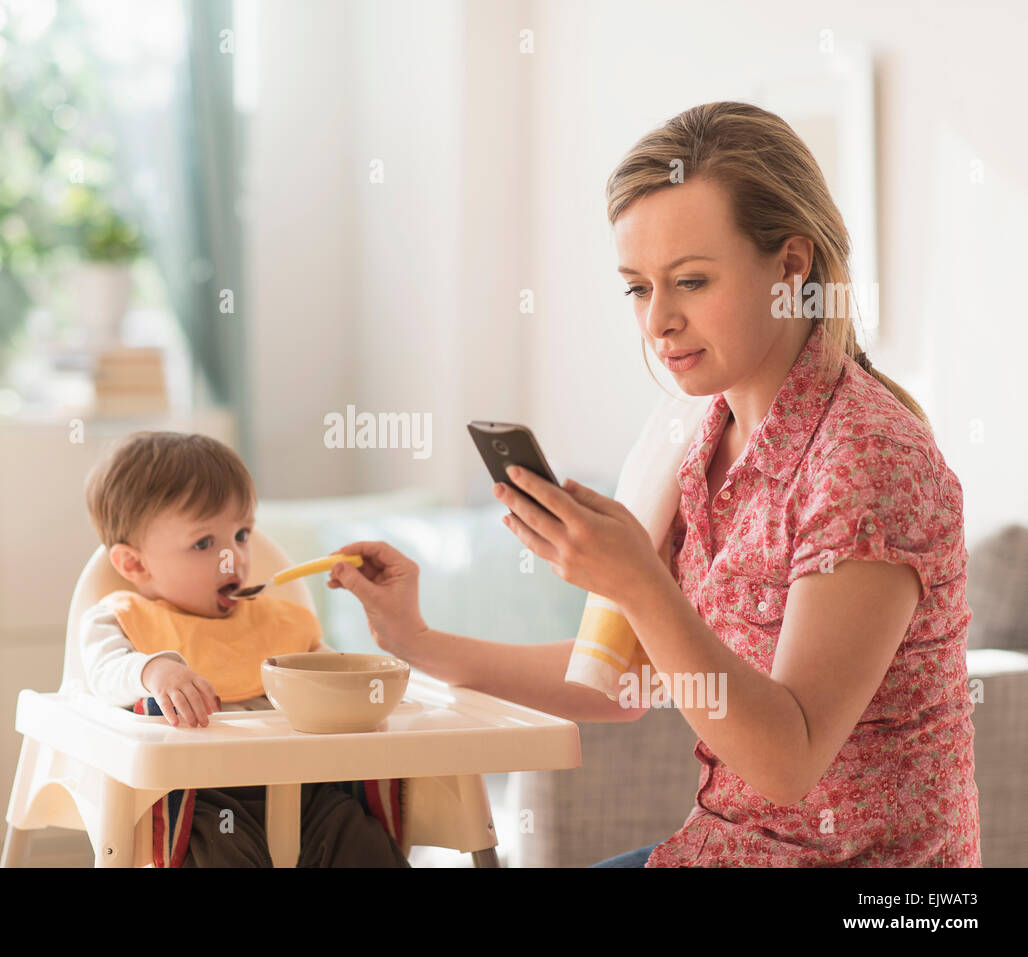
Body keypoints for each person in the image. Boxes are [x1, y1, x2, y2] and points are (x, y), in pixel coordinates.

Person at [326, 101, 979, 867]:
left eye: (692, 281)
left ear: (791, 266)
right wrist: (417, 641)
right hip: (725, 852)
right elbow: (617, 683)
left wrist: (640, 582)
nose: (658, 321)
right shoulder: (695, 442)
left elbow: (788, 761)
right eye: (637, 288)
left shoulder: (866, 458)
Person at [80, 430, 408, 867]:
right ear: (134, 564)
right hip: (200, 796)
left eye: (241, 534)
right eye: (203, 543)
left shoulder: (281, 622)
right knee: (216, 852)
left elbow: (334, 682)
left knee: (359, 838)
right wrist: (156, 672)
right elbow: (103, 675)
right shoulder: (121, 619)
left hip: (306, 786)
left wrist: (364, 679)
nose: (231, 557)